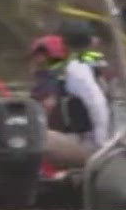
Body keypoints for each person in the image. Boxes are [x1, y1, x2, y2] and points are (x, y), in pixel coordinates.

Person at [27, 31, 112, 169]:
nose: (39, 60)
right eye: (37, 55)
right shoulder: (48, 79)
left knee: (31, 136)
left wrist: (101, 143)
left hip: (86, 144)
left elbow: (97, 104)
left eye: (44, 55)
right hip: (70, 139)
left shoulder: (72, 74)